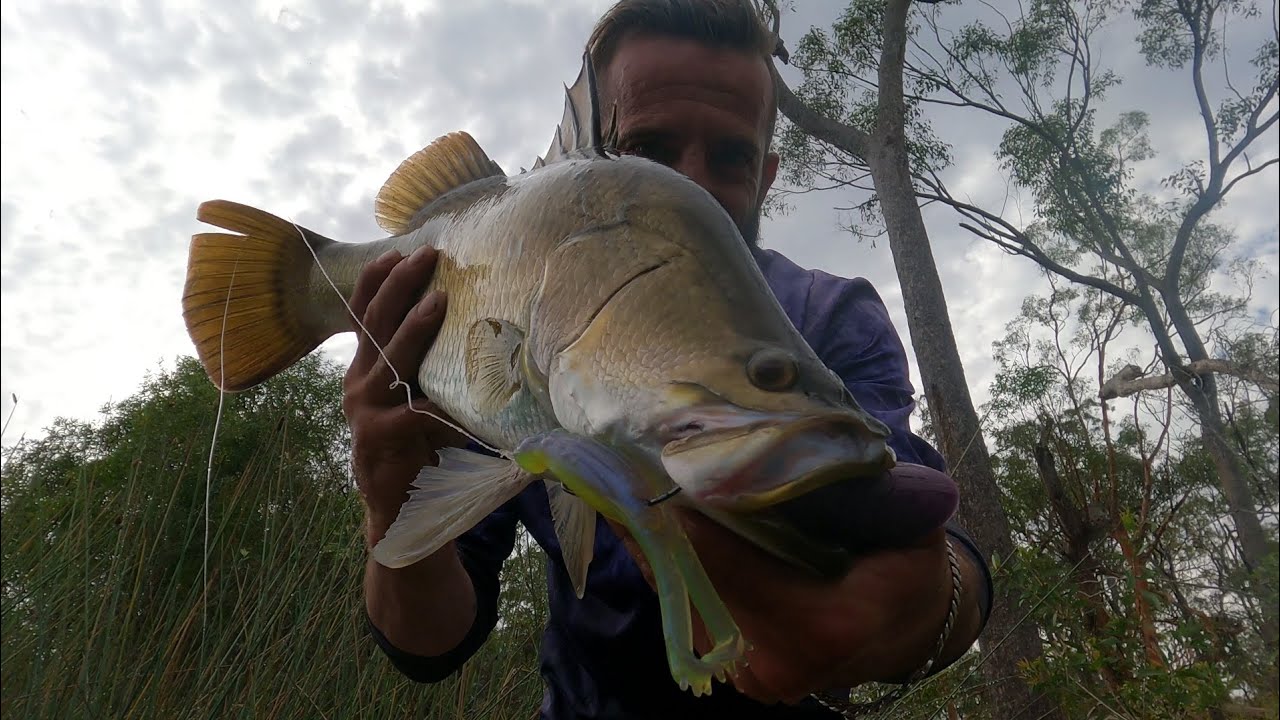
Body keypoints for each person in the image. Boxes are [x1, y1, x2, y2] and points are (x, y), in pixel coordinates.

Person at [346, 1, 993, 717]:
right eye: (649, 150)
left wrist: (930, 607)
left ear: (768, 174)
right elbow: (433, 644)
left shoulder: (831, 317)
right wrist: (387, 495)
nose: (691, 182)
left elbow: (909, 519)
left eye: (730, 156)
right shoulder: (496, 326)